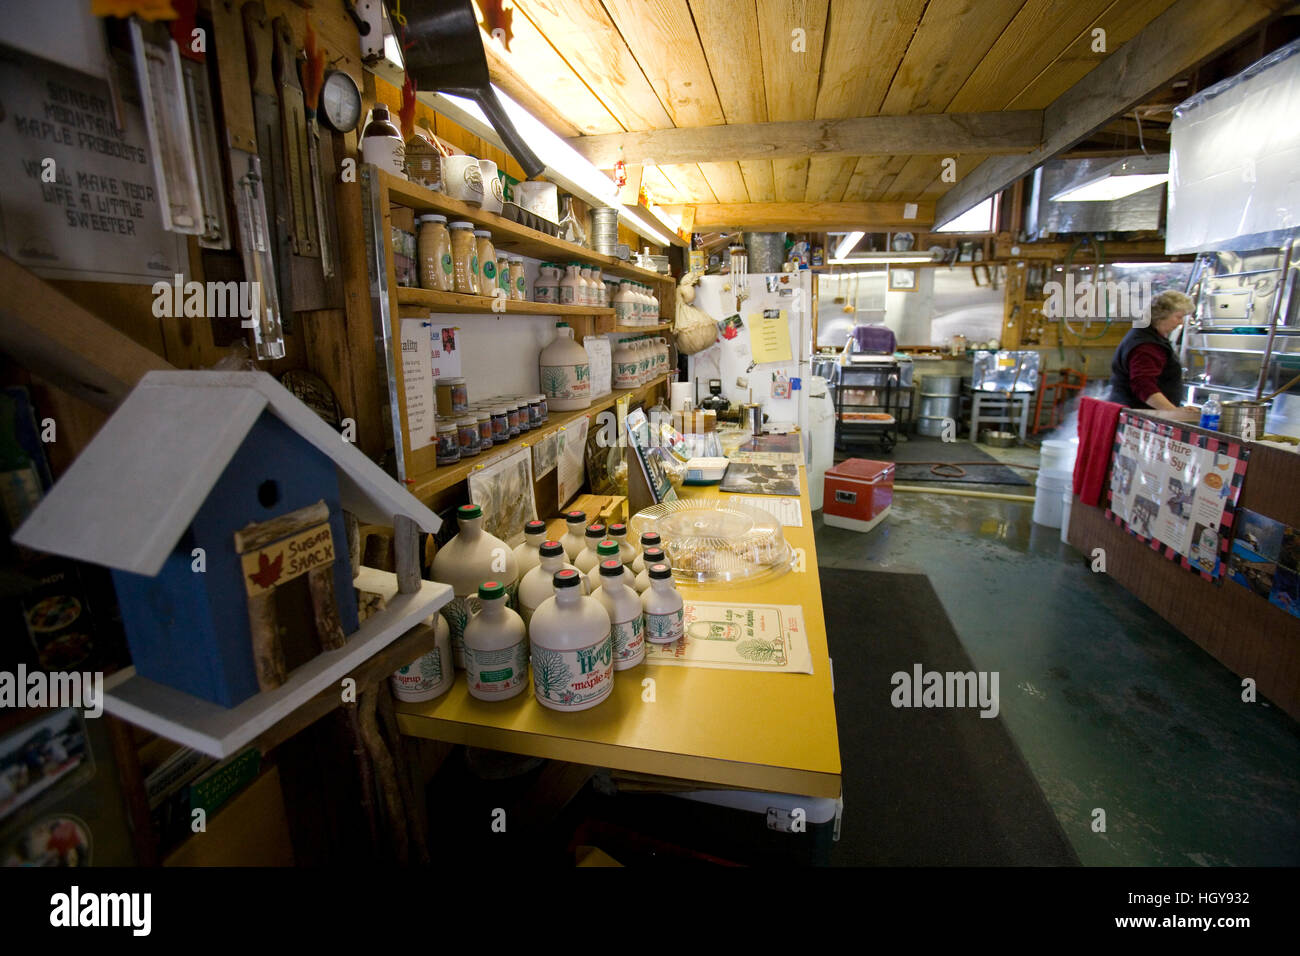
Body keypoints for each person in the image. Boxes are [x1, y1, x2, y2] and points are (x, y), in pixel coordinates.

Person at [1108, 290, 1200, 420]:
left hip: (1134, 411)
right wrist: (1174, 412)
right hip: (1139, 417)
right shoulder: (1147, 346)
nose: (1181, 323)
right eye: (1178, 317)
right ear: (1161, 315)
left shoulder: (1146, 335)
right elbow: (1144, 386)